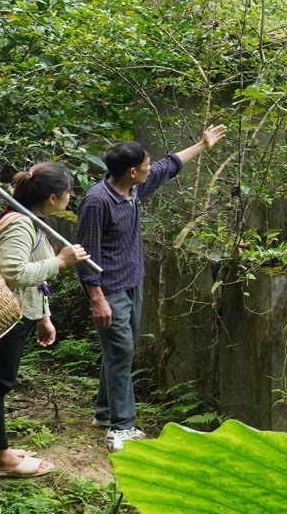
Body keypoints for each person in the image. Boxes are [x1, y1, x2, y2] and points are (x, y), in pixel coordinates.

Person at [76, 125, 227, 452]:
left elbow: (170, 164)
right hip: (109, 289)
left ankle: (104, 413)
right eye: (145, 163)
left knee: (118, 352)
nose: (150, 166)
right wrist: (97, 299)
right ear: (132, 171)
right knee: (122, 353)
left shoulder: (133, 189)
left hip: (133, 282)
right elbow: (85, 255)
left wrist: (202, 145)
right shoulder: (96, 203)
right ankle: (121, 428)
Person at [0, 162, 88, 477]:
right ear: (52, 198)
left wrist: (43, 316)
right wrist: (61, 261)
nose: (69, 196)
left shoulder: (31, 220)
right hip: (3, 316)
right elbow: (15, 272)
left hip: (15, 313)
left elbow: (35, 278)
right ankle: (4, 459)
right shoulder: (21, 224)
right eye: (67, 192)